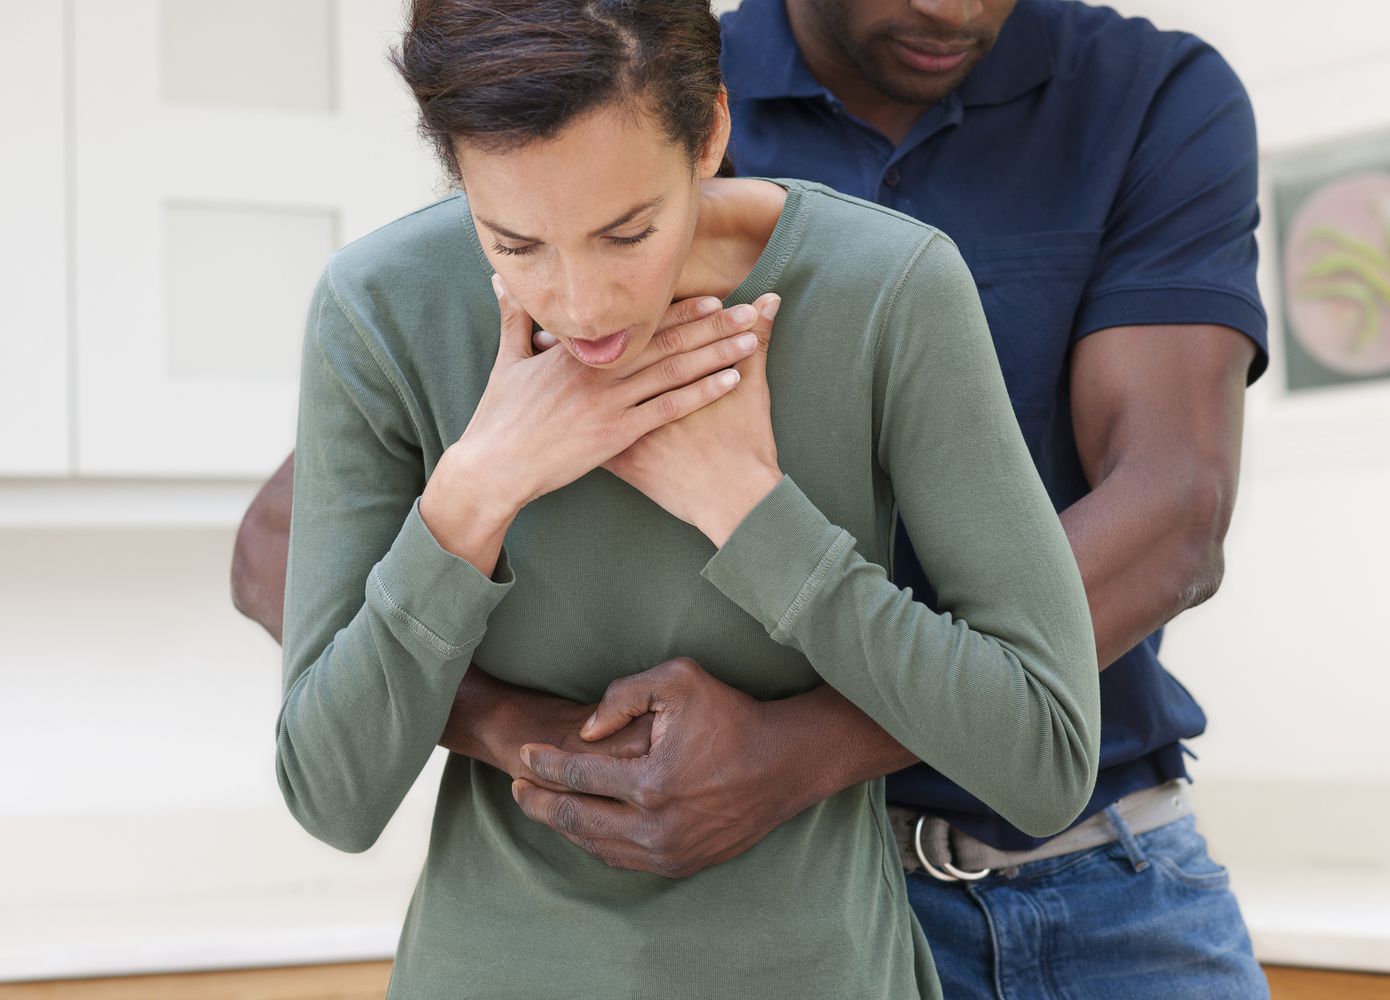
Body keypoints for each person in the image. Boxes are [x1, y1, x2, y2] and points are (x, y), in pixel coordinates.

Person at [235, 2, 1268, 998]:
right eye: (515, 245)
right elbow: (330, 787)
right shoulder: (392, 297)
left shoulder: (888, 280)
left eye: (627, 232)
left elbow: (1056, 731)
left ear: (712, 135)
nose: (582, 306)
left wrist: (749, 511)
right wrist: (476, 492)